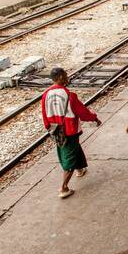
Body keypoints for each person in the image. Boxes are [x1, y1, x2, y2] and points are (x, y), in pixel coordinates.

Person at [41, 67, 100, 199]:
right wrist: (94, 118)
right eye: (66, 75)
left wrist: (49, 128)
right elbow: (82, 112)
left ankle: (80, 170)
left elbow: (44, 114)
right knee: (69, 158)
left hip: (55, 130)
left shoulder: (46, 95)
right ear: (61, 77)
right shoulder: (69, 95)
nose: (68, 77)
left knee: (72, 150)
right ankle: (64, 188)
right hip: (70, 131)